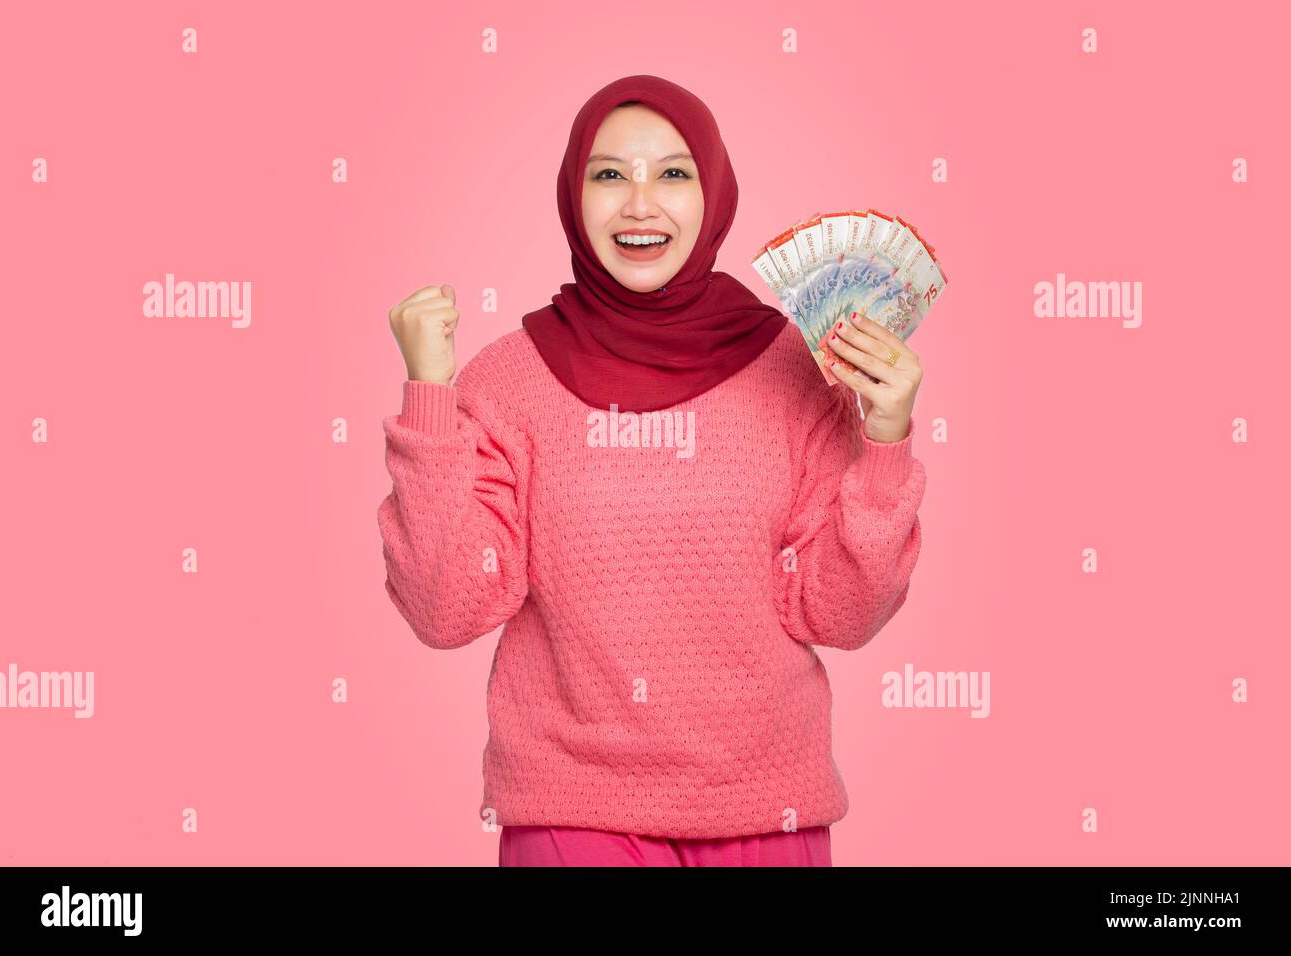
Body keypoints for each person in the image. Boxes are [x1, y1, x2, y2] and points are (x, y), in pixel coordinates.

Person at [379, 74, 927, 867]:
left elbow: (841, 615)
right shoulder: (505, 383)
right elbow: (444, 609)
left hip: (769, 813)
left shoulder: (798, 372)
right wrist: (429, 401)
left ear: (716, 195)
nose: (641, 204)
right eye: (610, 175)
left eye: (674, 173)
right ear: (573, 194)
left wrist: (885, 438)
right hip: (572, 813)